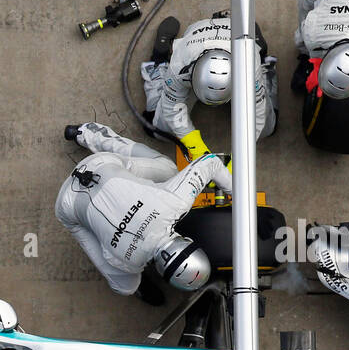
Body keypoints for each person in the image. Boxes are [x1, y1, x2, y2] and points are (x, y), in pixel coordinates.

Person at [55, 123, 231, 305]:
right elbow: (112, 254)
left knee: (169, 170)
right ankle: (137, 285)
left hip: (99, 166)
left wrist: (243, 201)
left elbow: (210, 162)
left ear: (188, 241)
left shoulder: (175, 202)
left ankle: (84, 133)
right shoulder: (130, 264)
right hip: (66, 205)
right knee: (125, 287)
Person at [141, 14, 277, 159]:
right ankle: (159, 61)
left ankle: (262, 57)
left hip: (236, 35)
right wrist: (196, 147)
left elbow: (259, 113)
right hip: (197, 32)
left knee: (267, 128)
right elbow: (171, 108)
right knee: (161, 129)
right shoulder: (180, 65)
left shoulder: (249, 65)